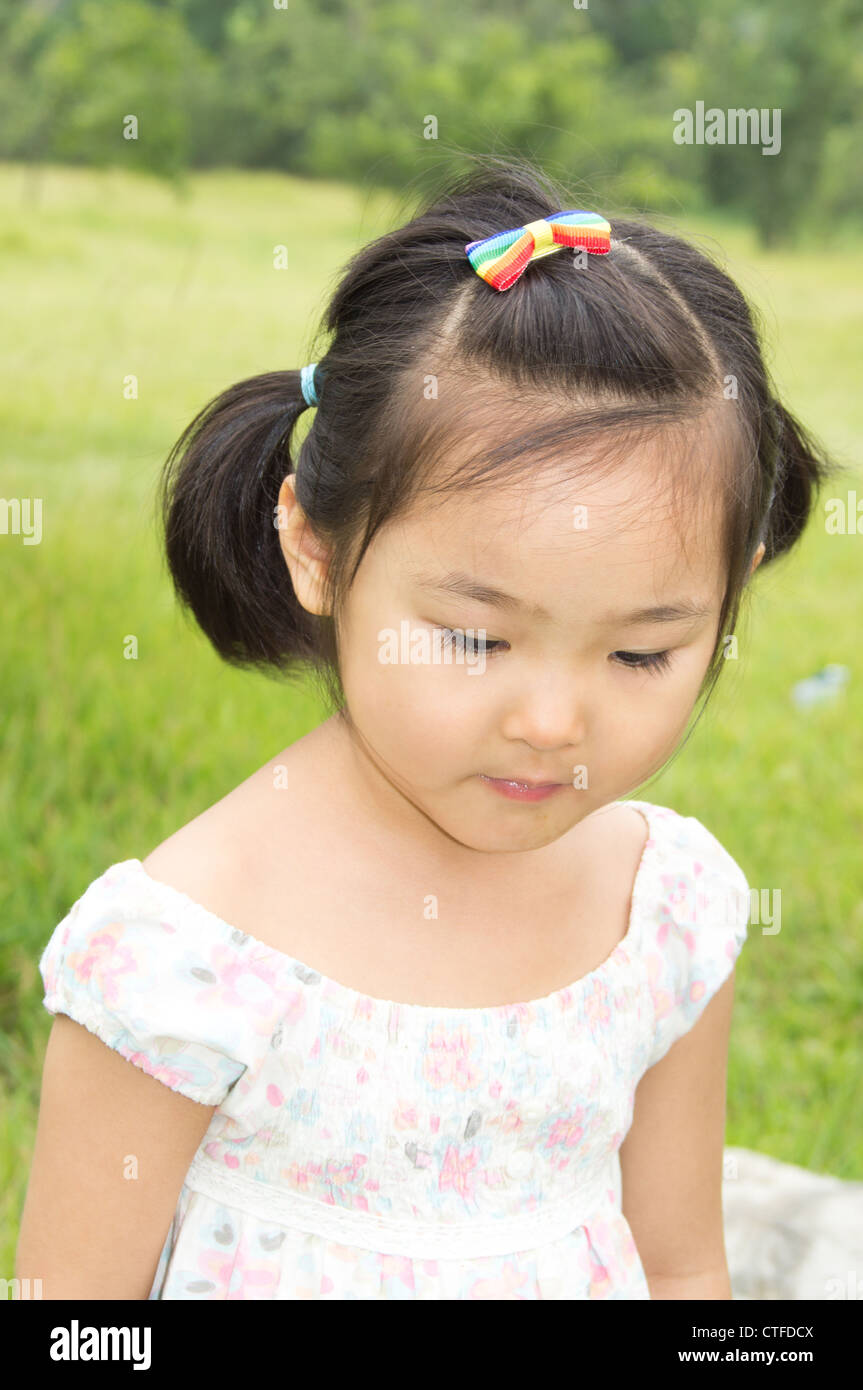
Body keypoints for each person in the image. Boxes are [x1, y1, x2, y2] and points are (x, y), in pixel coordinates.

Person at [16, 156, 838, 1301]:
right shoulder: (186, 956)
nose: (552, 723)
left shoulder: (663, 911)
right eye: (472, 638)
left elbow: (685, 1269)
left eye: (641, 652)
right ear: (314, 546)